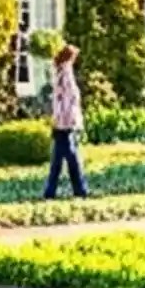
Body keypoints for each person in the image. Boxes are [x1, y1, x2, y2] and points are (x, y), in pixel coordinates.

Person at [43, 44, 89, 200]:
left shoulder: (59, 71)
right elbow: (70, 98)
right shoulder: (66, 71)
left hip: (61, 121)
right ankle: (80, 189)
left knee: (57, 160)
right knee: (72, 159)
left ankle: (51, 191)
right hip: (66, 122)